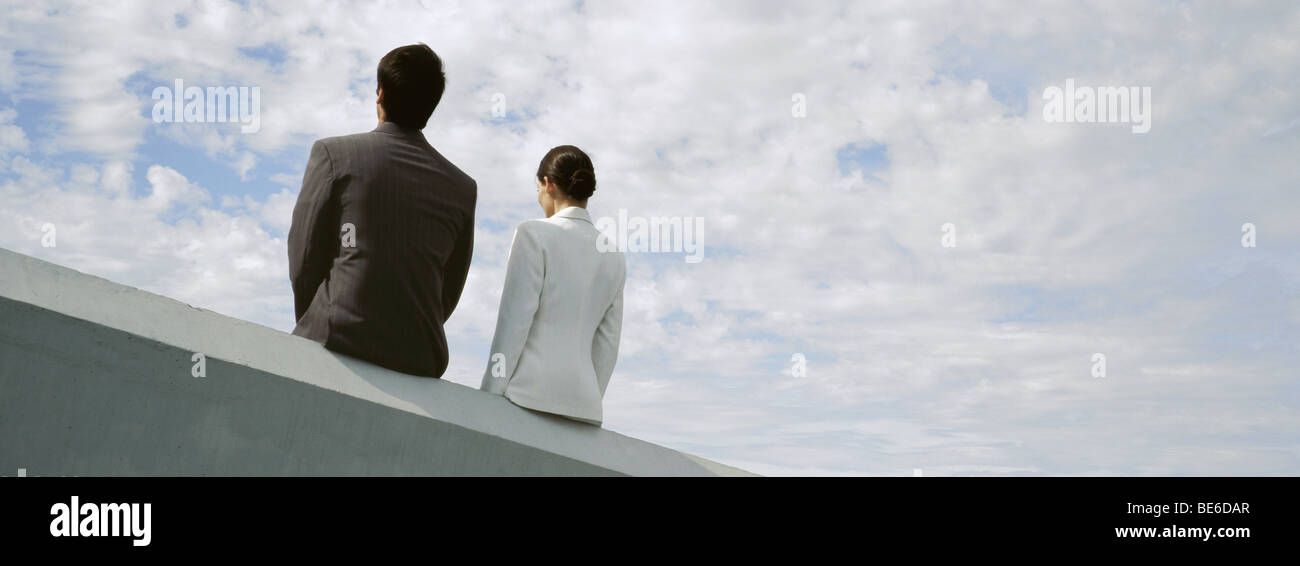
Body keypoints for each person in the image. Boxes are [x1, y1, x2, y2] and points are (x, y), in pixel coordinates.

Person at [288, 44, 476, 378]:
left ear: (380, 94)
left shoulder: (334, 153)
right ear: (431, 105)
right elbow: (447, 292)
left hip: (336, 338)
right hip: (418, 358)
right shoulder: (463, 187)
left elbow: (304, 260)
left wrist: (319, 319)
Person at [481, 146, 626, 426]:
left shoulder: (533, 234)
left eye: (537, 187)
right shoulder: (614, 255)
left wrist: (489, 396)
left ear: (547, 184)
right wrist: (589, 401)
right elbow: (608, 345)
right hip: (584, 409)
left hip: (526, 398)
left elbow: (514, 323)